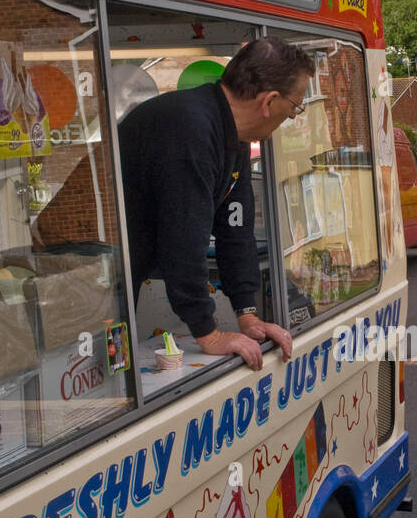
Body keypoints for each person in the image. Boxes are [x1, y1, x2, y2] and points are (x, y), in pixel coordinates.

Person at [118, 36, 314, 369]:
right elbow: (183, 236)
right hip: (94, 269)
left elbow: (236, 231)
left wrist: (247, 314)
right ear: (269, 101)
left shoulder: (231, 136)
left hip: (123, 267)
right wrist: (207, 333)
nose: (293, 117)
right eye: (295, 106)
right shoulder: (190, 127)